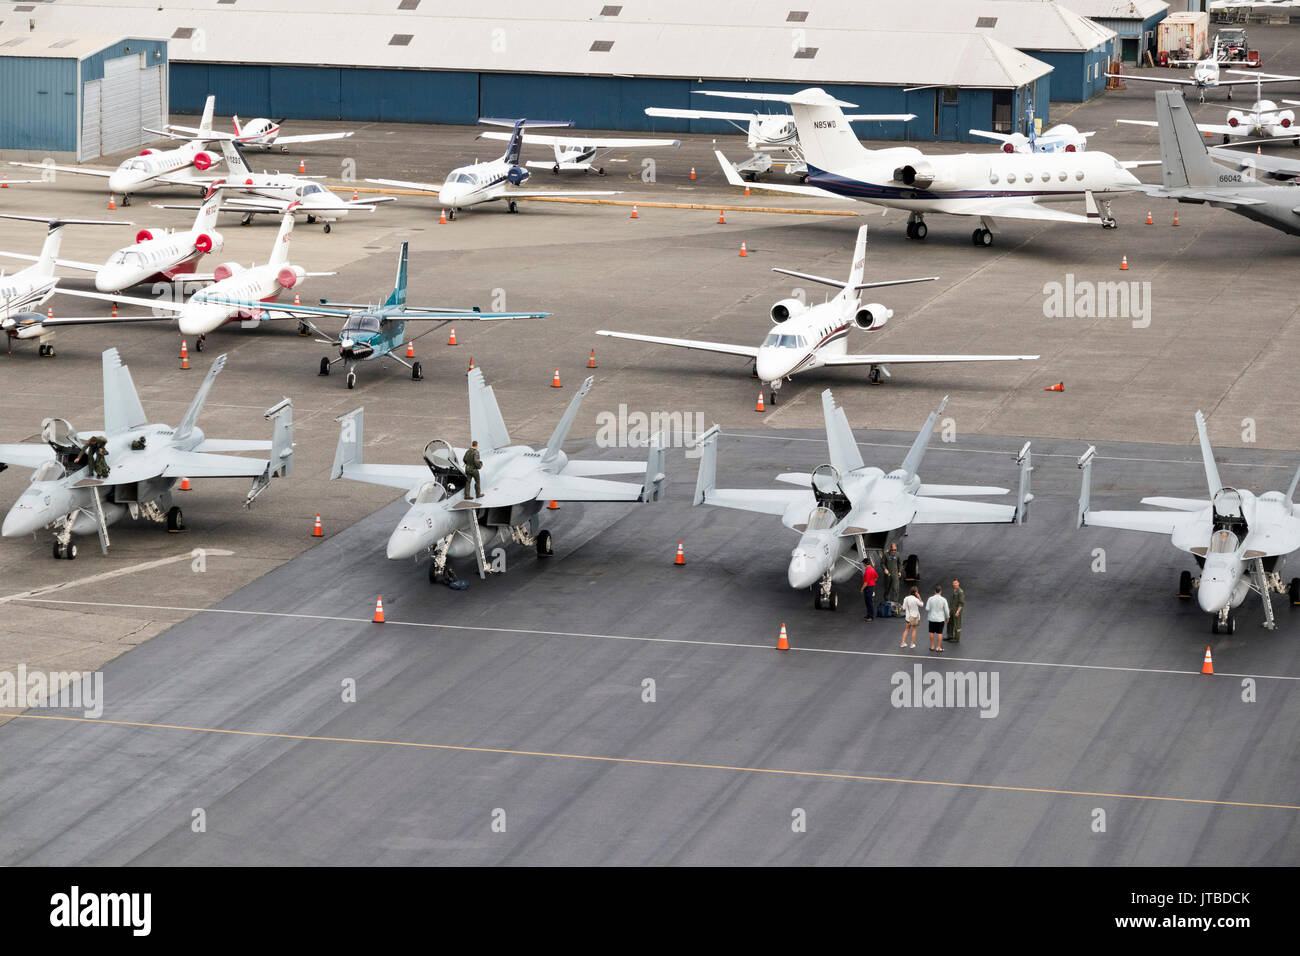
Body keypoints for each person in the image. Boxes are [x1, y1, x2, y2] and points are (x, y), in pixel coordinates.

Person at [925, 584, 950, 653]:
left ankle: (932, 646)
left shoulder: (930, 599)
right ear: (940, 591)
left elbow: (927, 608)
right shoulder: (943, 599)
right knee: (940, 633)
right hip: (940, 619)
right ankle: (938, 647)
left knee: (931, 632)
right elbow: (946, 610)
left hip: (932, 618)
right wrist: (947, 617)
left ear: (934, 591)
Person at [882, 542, 903, 606]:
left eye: (895, 550)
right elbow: (882, 563)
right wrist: (884, 569)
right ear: (890, 548)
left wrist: (899, 571)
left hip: (895, 574)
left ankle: (895, 602)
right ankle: (887, 601)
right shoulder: (886, 555)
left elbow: (900, 563)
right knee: (887, 588)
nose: (894, 551)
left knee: (895, 588)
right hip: (888, 574)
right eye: (892, 550)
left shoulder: (897, 554)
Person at [946, 579, 964, 644]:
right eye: (953, 583)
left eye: (956, 583)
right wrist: (949, 610)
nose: (954, 584)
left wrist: (958, 611)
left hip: (956, 611)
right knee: (950, 623)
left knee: (957, 624)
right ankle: (950, 636)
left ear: (958, 583)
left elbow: (961, 603)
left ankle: (957, 638)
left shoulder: (960, 592)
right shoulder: (954, 591)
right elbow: (951, 602)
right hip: (952, 610)